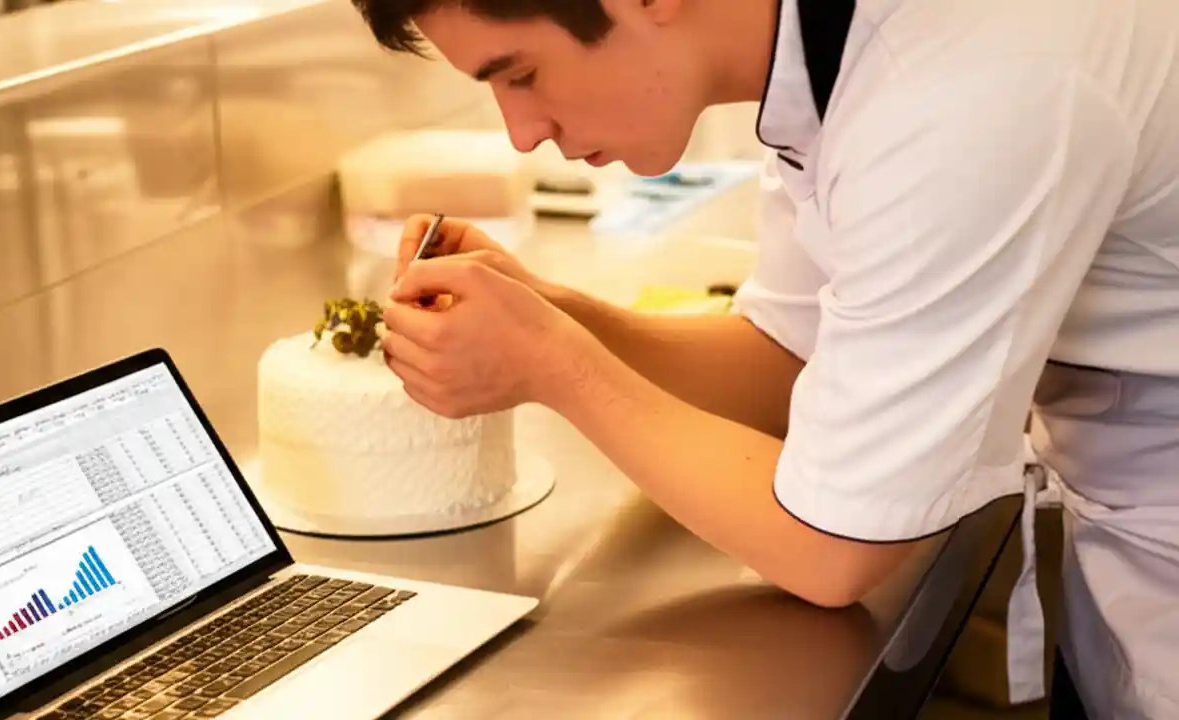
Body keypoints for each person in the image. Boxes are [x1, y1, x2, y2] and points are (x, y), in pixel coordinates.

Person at [349, 0, 1179, 717]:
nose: (522, 132)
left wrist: (553, 364)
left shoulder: (962, 86)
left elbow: (833, 550)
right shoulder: (828, 49)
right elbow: (785, 359)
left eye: (522, 74)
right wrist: (551, 313)